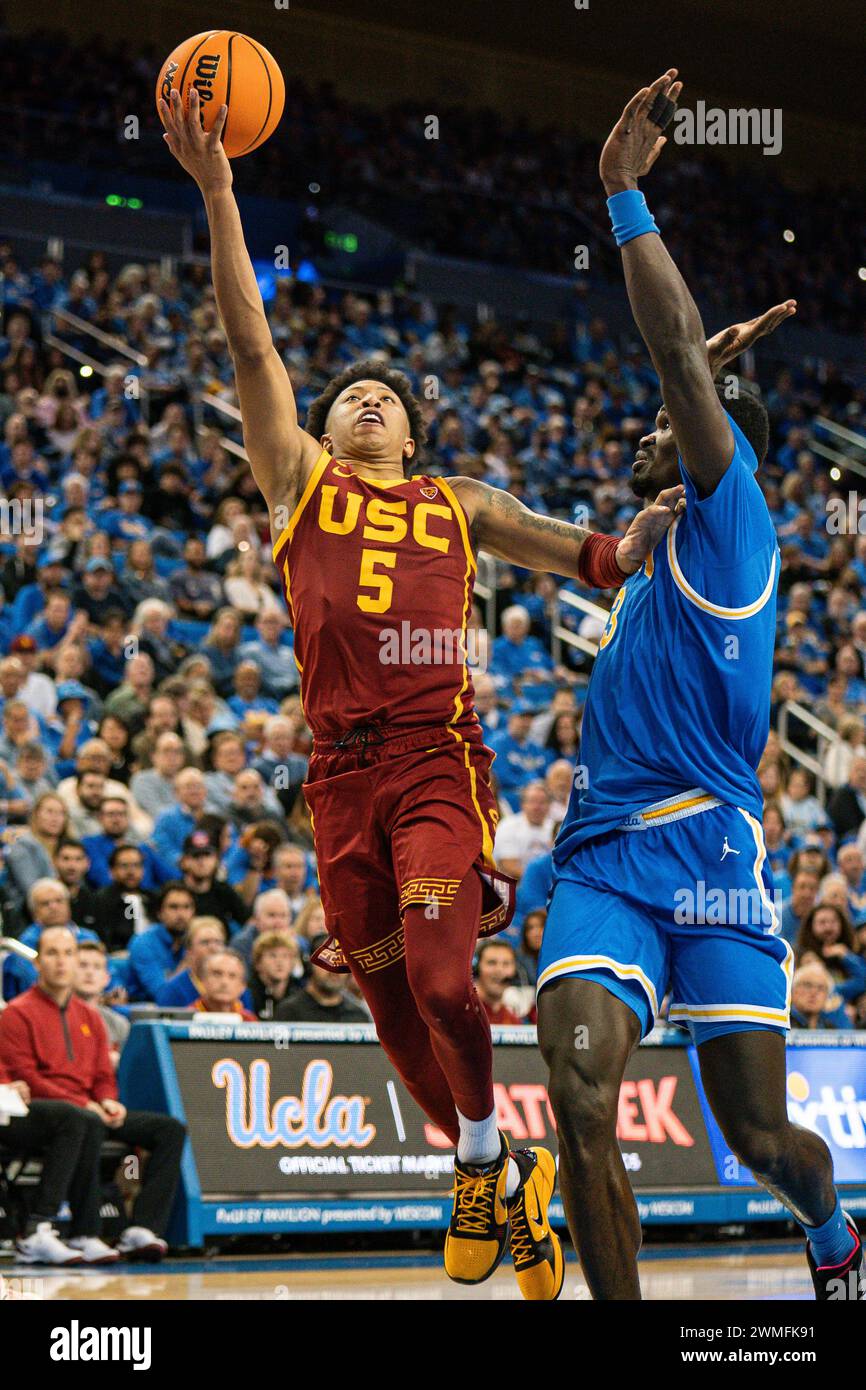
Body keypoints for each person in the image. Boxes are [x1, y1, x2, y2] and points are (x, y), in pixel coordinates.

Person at [160, 85, 682, 1301]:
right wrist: (221, 190)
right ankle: (503, 1172)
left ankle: (492, 1160)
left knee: (449, 983)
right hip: (334, 778)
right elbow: (248, 342)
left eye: (385, 394)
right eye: (350, 391)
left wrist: (652, 521)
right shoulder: (296, 480)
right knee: (395, 1016)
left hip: (433, 758)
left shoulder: (462, 504)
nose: (366, 399)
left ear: (410, 428)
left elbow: (587, 554)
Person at [536, 67, 860, 1303]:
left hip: (716, 866)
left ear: (711, 434)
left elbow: (674, 353)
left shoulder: (734, 529)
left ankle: (831, 1237)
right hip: (607, 860)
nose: (644, 430)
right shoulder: (650, 546)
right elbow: (683, 381)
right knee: (576, 1091)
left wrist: (621, 191)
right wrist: (701, 399)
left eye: (670, 423)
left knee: (761, 1143)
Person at [0, 925, 186, 1260]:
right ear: (38, 963)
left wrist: (108, 1100)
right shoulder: (16, 1013)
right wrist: (86, 1103)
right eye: (52, 954)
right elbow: (25, 1075)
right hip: (36, 1111)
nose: (61, 962)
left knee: (169, 1129)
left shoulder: (90, 1016)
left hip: (87, 1108)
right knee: (81, 1119)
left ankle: (140, 1228)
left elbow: (102, 1072)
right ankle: (43, 1228)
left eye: (68, 953)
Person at [125, 882, 197, 1001]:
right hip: (148, 1010)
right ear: (159, 913)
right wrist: (188, 964)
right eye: (173, 907)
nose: (181, 914)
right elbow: (162, 995)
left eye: (187, 907)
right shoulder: (143, 943)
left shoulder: (196, 939)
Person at [274, 934, 370, 1023]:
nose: (334, 971)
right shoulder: (289, 1012)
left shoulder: (358, 1016)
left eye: (341, 962)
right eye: (327, 961)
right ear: (309, 965)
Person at [178, 828, 247, 931]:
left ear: (216, 859)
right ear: (184, 861)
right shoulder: (175, 893)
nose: (202, 861)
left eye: (207, 855)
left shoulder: (224, 891)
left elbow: (248, 921)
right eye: (195, 855)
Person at [74, 938, 131, 1064]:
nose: (89, 972)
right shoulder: (55, 1018)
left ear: (106, 978)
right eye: (82, 965)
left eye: (97, 967)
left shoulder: (119, 1024)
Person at [92, 843, 153, 951]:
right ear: (112, 871)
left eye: (136, 865)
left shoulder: (153, 898)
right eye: (124, 866)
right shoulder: (102, 899)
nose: (131, 872)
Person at [249, 930, 304, 1018]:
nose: (279, 962)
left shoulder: (301, 995)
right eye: (272, 956)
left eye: (285, 956)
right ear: (258, 963)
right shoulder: (248, 995)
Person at [191, 948, 257, 1020]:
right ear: (202, 980)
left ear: (243, 986)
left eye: (232, 976)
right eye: (217, 974)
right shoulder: (185, 1019)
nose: (224, 982)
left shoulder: (248, 1021)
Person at [474, 941, 526, 1025]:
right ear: (476, 969)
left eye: (506, 964)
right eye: (491, 963)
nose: (499, 970)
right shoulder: (465, 1012)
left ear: (514, 972)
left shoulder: (514, 1022)